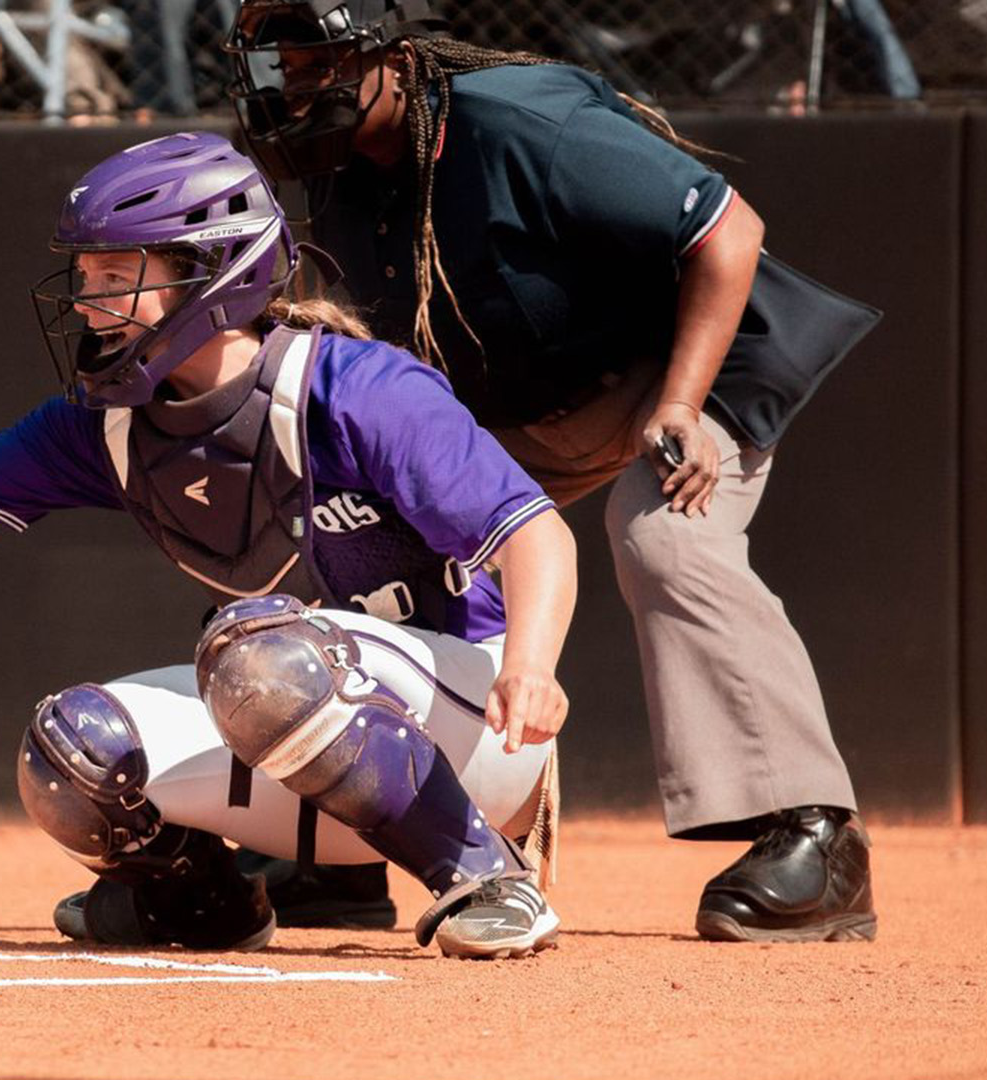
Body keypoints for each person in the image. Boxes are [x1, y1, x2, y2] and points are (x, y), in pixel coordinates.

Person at [0, 132, 579, 959]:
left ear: (213, 273)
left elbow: (538, 534)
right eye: (85, 274)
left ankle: (489, 880)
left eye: (116, 275)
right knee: (73, 746)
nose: (87, 300)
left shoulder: (359, 389)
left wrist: (532, 668)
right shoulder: (107, 425)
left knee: (256, 656)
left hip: (475, 745)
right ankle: (203, 902)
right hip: (301, 733)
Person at [222, 0, 881, 943]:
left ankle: (818, 836)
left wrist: (683, 406)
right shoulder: (340, 175)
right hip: (524, 409)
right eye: (283, 65)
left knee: (665, 538)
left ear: (396, 62)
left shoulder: (521, 121)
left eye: (321, 61)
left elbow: (729, 235)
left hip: (681, 371)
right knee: (351, 517)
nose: (298, 85)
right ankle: (350, 838)